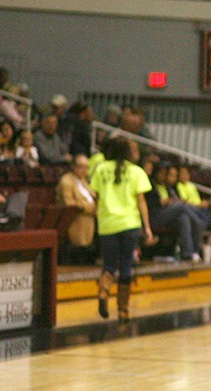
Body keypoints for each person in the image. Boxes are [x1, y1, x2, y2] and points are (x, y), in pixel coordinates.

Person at [88, 136, 156, 321]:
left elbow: (94, 196)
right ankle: (123, 310)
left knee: (109, 264)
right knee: (126, 265)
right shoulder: (136, 172)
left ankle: (103, 292)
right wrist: (147, 227)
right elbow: (141, 201)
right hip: (129, 224)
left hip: (107, 223)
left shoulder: (101, 169)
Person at [56, 154, 98, 251]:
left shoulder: (83, 181)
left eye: (87, 167)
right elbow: (69, 204)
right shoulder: (66, 181)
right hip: (76, 219)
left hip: (90, 216)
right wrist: (90, 207)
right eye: (81, 167)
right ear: (73, 167)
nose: (84, 170)